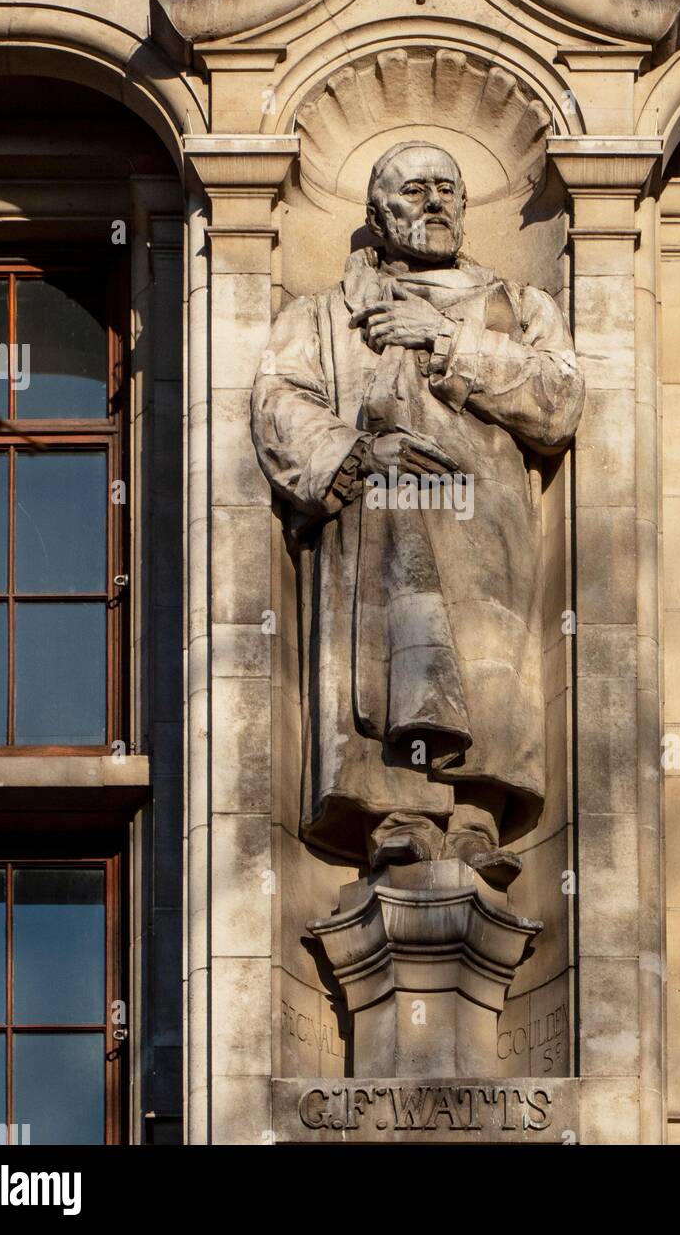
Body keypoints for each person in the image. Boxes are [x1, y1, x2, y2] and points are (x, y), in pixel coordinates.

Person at [252, 141, 584, 886]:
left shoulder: (517, 306)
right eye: (413, 190)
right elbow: (278, 402)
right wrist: (360, 455)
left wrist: (446, 342)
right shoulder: (325, 315)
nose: (434, 202)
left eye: (447, 188)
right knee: (386, 657)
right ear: (377, 214)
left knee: (482, 665)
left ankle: (473, 819)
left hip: (484, 526)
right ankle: (394, 817)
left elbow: (559, 401)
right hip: (374, 523)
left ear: (466, 207)